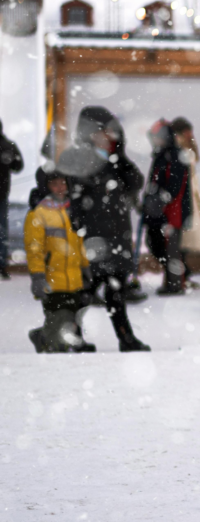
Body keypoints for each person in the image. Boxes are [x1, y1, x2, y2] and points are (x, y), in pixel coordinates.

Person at [57, 106, 150, 352]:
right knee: (88, 290)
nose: (109, 135)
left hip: (117, 233)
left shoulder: (115, 159)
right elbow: (76, 201)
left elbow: (136, 182)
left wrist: (119, 156)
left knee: (113, 290)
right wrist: (79, 231)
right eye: (104, 130)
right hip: (95, 238)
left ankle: (123, 338)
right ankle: (75, 337)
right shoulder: (80, 159)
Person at [25, 170, 96, 353]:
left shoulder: (69, 210)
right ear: (46, 187)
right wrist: (38, 276)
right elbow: (35, 249)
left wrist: (85, 266)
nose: (60, 188)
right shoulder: (38, 214)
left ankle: (53, 337)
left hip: (72, 276)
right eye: (55, 184)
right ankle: (46, 339)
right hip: (52, 277)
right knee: (58, 314)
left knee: (73, 314)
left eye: (63, 183)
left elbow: (78, 242)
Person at [144, 119, 190, 295]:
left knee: (171, 248)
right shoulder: (161, 155)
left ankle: (175, 283)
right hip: (160, 211)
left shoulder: (174, 156)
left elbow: (175, 186)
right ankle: (173, 279)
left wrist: (161, 199)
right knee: (159, 245)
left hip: (171, 211)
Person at [173, 117, 200, 290]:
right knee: (182, 239)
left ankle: (183, 274)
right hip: (184, 198)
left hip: (189, 197)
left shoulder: (185, 149)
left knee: (184, 240)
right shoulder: (179, 149)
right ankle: (182, 274)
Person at [0, 119, 25, 280]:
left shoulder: (8, 146)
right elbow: (18, 166)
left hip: (2, 193)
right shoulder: (8, 146)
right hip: (2, 193)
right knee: (2, 231)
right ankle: (1, 265)